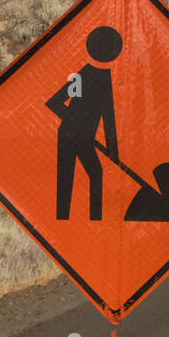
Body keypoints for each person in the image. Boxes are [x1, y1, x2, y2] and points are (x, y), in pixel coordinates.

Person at [46, 26, 122, 220]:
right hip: (69, 133)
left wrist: (113, 151)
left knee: (95, 173)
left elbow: (108, 116)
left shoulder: (103, 78)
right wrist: (75, 121)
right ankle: (66, 219)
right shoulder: (84, 74)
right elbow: (54, 102)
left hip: (83, 136)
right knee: (68, 176)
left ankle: (94, 219)